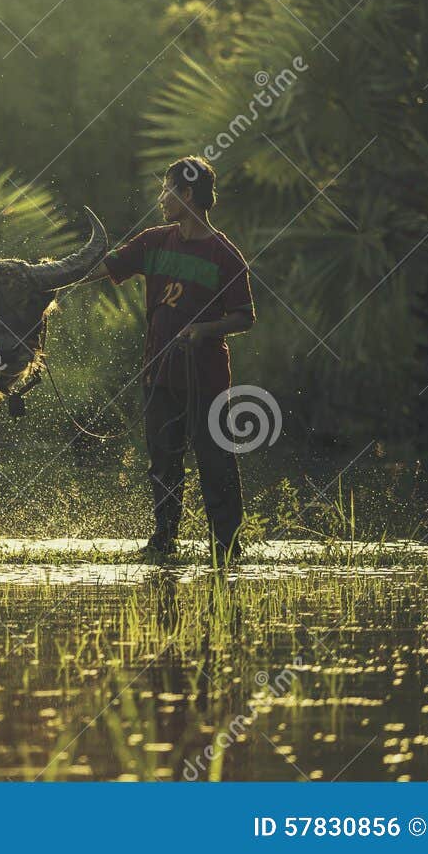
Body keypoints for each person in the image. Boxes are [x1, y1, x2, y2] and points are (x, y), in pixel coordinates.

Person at [86, 157, 255, 562]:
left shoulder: (225, 256)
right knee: (163, 463)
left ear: (188, 194)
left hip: (206, 379)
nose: (161, 199)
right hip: (158, 374)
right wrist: (53, 278)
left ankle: (227, 547)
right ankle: (164, 542)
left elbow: (245, 317)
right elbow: (107, 265)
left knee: (216, 464)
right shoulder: (153, 242)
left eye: (167, 190)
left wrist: (203, 330)